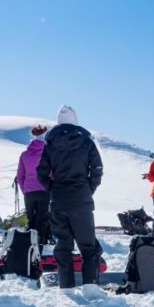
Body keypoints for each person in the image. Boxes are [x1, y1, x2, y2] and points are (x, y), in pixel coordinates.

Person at [37, 105, 104, 288]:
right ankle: (90, 287)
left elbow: (41, 173)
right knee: (88, 247)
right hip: (81, 199)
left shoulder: (50, 145)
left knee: (63, 247)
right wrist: (87, 189)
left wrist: (53, 189)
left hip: (59, 200)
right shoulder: (87, 143)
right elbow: (97, 169)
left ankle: (66, 287)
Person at [17, 124, 51, 247]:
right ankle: (41, 244)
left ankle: (29, 245)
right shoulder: (48, 152)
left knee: (31, 219)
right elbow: (52, 173)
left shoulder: (25, 154)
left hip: (29, 191)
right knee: (42, 219)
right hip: (44, 190)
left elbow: (20, 176)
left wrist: (25, 190)